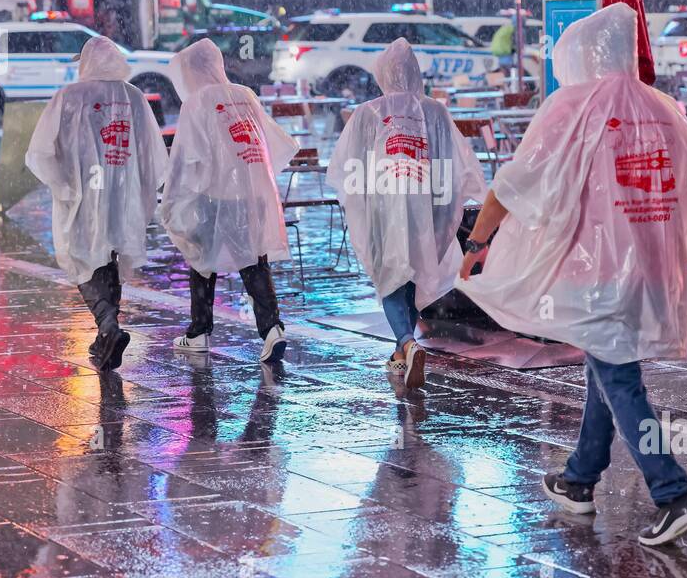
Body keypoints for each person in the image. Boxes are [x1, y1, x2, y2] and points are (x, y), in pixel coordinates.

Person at [457, 3, 687, 546]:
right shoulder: (661, 107)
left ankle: (673, 494)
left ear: (583, 52)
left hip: (599, 272)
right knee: (603, 366)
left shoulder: (573, 105)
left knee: (618, 376)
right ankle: (579, 480)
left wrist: (479, 241)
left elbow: (514, 182)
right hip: (652, 267)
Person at [326, 38, 486, 387]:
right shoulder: (436, 110)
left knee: (390, 277)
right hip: (428, 207)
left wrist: (362, 201)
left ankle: (407, 343)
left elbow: (349, 167)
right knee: (412, 273)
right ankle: (402, 352)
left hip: (383, 207)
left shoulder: (368, 113)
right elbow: (454, 162)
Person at [25, 36, 168, 371]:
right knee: (110, 255)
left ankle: (108, 326)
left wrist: (63, 186)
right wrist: (142, 188)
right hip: (124, 191)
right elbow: (153, 152)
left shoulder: (70, 97)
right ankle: (106, 335)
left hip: (83, 191)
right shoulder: (133, 97)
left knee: (81, 257)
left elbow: (41, 151)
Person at [161, 39, 298, 363]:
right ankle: (271, 328)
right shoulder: (244, 94)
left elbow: (189, 157)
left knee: (200, 259)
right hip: (251, 194)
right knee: (253, 262)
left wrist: (178, 192)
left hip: (214, 196)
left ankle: (199, 331)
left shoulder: (197, 102)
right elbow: (269, 143)